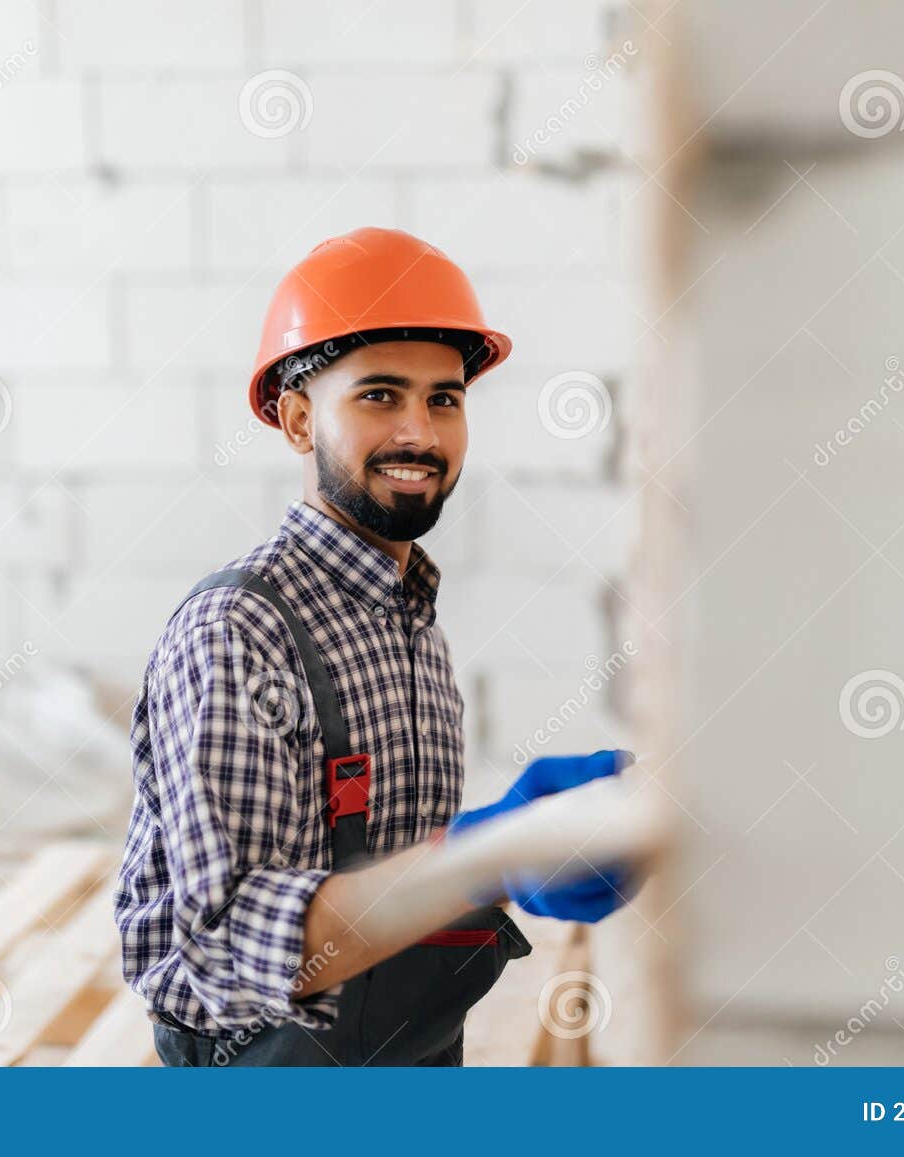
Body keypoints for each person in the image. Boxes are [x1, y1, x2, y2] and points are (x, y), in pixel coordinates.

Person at [114, 226, 634, 1067]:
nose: (420, 433)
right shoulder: (237, 634)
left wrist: (546, 834)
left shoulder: (411, 622)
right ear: (294, 419)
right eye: (379, 395)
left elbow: (390, 876)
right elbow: (221, 946)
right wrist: (484, 856)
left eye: (444, 399)